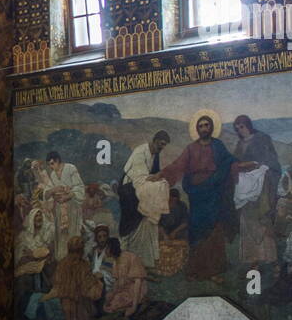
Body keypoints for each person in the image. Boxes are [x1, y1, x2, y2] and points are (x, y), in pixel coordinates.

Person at [145, 115, 235, 279]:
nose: (204, 128)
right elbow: (177, 165)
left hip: (214, 194)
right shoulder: (191, 149)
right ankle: (195, 270)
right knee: (196, 231)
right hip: (197, 195)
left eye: (206, 125)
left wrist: (242, 166)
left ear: (212, 127)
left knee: (213, 230)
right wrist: (160, 174)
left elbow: (229, 162)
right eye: (200, 126)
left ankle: (214, 271)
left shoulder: (218, 146)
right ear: (197, 129)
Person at [231, 114, 281, 266]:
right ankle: (252, 260)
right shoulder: (240, 144)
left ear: (248, 125)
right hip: (245, 189)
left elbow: (272, 163)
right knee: (247, 222)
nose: (240, 130)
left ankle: (269, 259)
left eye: (242, 126)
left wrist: (257, 166)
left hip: (262, 188)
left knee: (262, 221)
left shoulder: (262, 138)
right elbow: (235, 162)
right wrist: (240, 167)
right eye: (237, 128)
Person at [119, 130, 170, 269]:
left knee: (146, 221)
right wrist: (154, 178)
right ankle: (126, 258)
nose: (161, 147)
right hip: (129, 191)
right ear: (154, 141)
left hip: (142, 191)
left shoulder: (156, 154)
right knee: (130, 223)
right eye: (160, 144)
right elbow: (139, 177)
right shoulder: (140, 152)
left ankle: (143, 262)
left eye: (164, 146)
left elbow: (153, 174)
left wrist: (157, 177)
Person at [42, 235, 103, 320]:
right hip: (80, 307)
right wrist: (98, 281)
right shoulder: (84, 265)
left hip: (63, 306)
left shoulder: (62, 263)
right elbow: (88, 290)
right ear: (82, 250)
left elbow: (56, 284)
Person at [41, 150, 86, 261]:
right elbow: (48, 192)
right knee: (61, 235)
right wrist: (54, 191)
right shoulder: (52, 174)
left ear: (57, 161)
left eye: (52, 163)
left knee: (72, 232)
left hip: (71, 207)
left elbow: (79, 187)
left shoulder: (70, 168)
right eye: (49, 164)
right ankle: (62, 259)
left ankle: (74, 259)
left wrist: (68, 196)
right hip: (59, 209)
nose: (51, 167)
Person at [102, 237, 147, 320]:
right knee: (108, 297)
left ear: (111, 248)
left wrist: (134, 307)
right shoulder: (115, 262)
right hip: (124, 289)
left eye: (106, 248)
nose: (105, 251)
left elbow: (138, 282)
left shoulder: (131, 257)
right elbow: (117, 284)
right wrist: (110, 297)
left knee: (116, 303)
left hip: (136, 289)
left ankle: (129, 309)